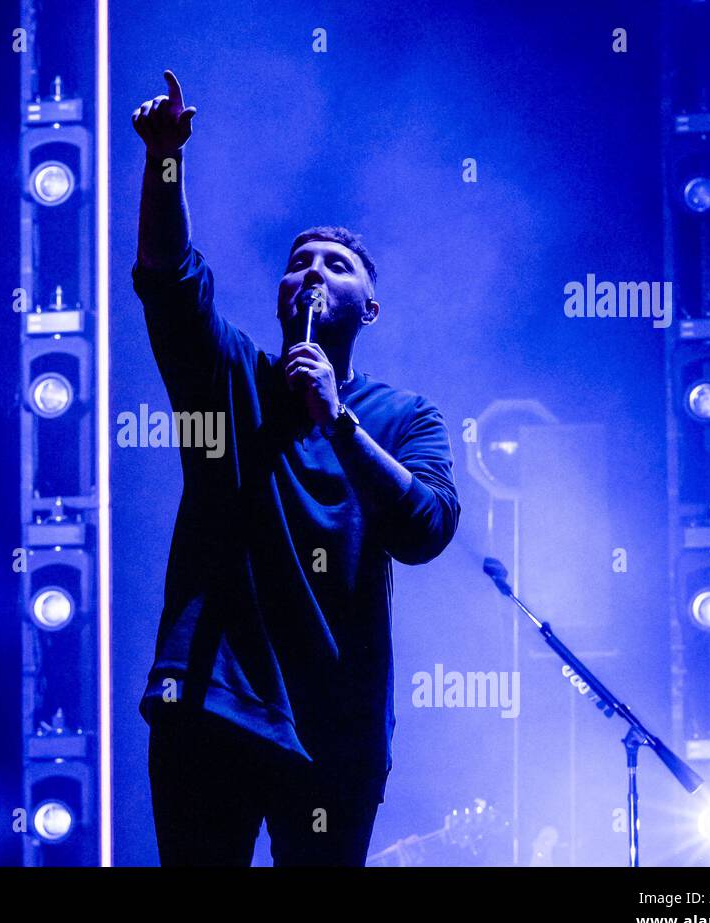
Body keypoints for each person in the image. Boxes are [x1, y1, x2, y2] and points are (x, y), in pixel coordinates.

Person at [131, 70, 461, 865]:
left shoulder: (405, 417)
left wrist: (335, 420)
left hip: (335, 727)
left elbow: (425, 529)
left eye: (335, 266)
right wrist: (165, 159)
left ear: (370, 310)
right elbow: (171, 283)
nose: (312, 271)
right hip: (212, 700)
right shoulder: (232, 377)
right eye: (298, 262)